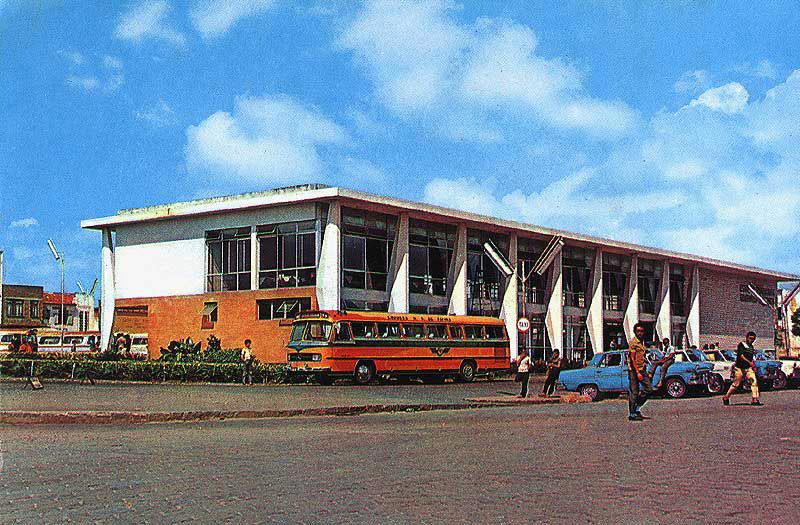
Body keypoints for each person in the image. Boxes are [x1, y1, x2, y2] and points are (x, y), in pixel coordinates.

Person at [722, 331, 762, 406]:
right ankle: (726, 397)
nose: (751, 340)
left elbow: (751, 358)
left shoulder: (751, 347)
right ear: (747, 338)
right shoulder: (742, 345)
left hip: (748, 368)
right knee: (736, 384)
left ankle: (755, 399)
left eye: (753, 339)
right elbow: (741, 356)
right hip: (739, 368)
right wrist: (749, 362)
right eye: (750, 338)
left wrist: (752, 365)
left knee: (754, 381)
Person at [628, 322, 654, 421]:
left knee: (649, 389)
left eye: (641, 331)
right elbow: (632, 358)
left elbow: (641, 356)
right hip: (634, 371)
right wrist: (638, 372)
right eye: (638, 331)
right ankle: (632, 413)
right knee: (634, 392)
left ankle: (637, 407)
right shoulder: (634, 343)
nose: (640, 333)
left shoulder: (642, 342)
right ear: (635, 332)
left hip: (642, 369)